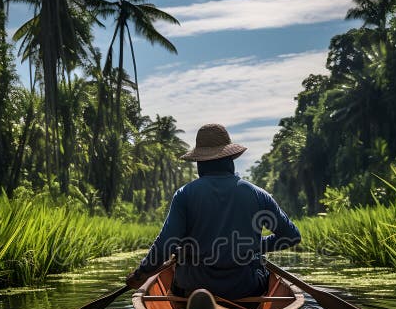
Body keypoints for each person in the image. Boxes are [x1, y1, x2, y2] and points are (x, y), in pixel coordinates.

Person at [126, 123, 301, 299]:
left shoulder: (184, 194)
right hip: (246, 289)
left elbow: (165, 243)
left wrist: (141, 273)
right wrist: (251, 247)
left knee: (179, 279)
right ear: (230, 160)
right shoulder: (258, 194)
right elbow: (291, 236)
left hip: (192, 289)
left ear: (200, 163)